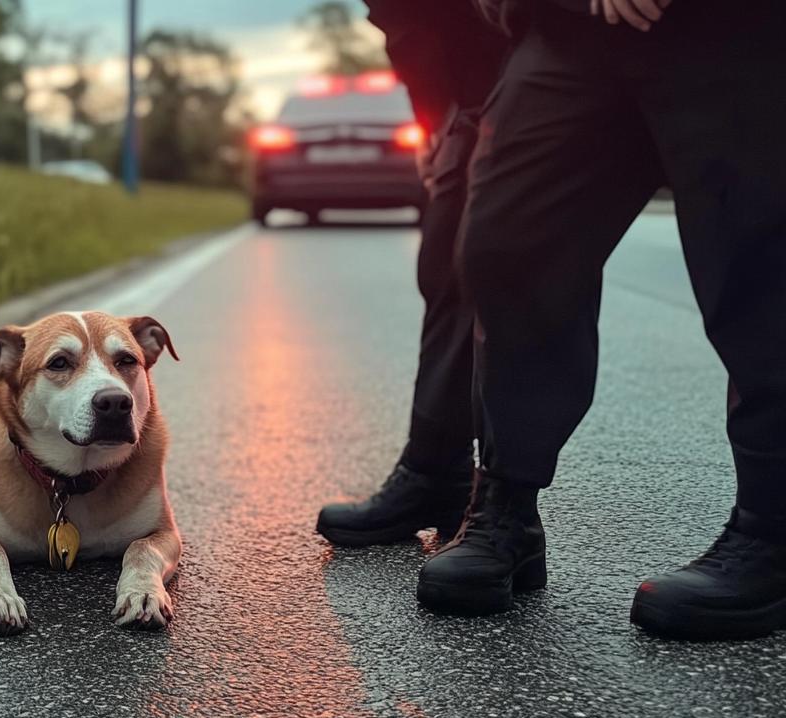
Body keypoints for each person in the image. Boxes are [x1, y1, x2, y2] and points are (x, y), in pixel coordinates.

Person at [418, 0, 786, 641]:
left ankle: (772, 525)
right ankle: (505, 508)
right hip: (571, 30)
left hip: (742, 26)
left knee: (755, 256)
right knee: (508, 241)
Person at [316, 1, 509, 547]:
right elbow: (407, 21)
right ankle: (438, 473)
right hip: (475, 88)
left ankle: (507, 507)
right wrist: (433, 116)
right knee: (449, 263)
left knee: (512, 272)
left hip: (578, 49)